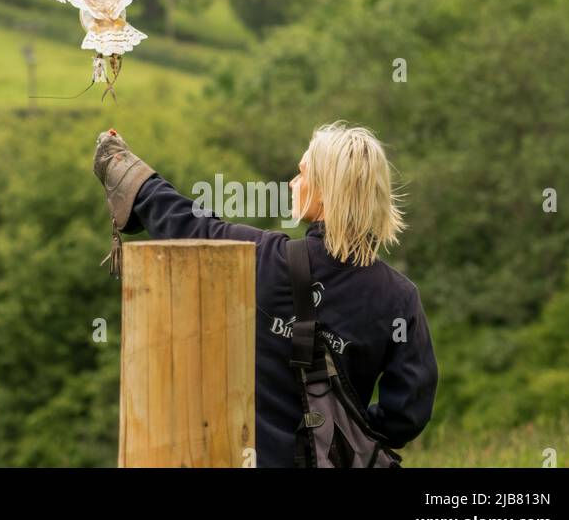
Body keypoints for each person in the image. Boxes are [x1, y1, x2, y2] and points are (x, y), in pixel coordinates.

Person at [93, 121, 438, 467]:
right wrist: (352, 435)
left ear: (325, 189)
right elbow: (407, 412)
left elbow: (194, 226)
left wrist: (134, 177)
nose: (292, 183)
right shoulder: (399, 298)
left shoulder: (265, 260)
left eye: (303, 174)